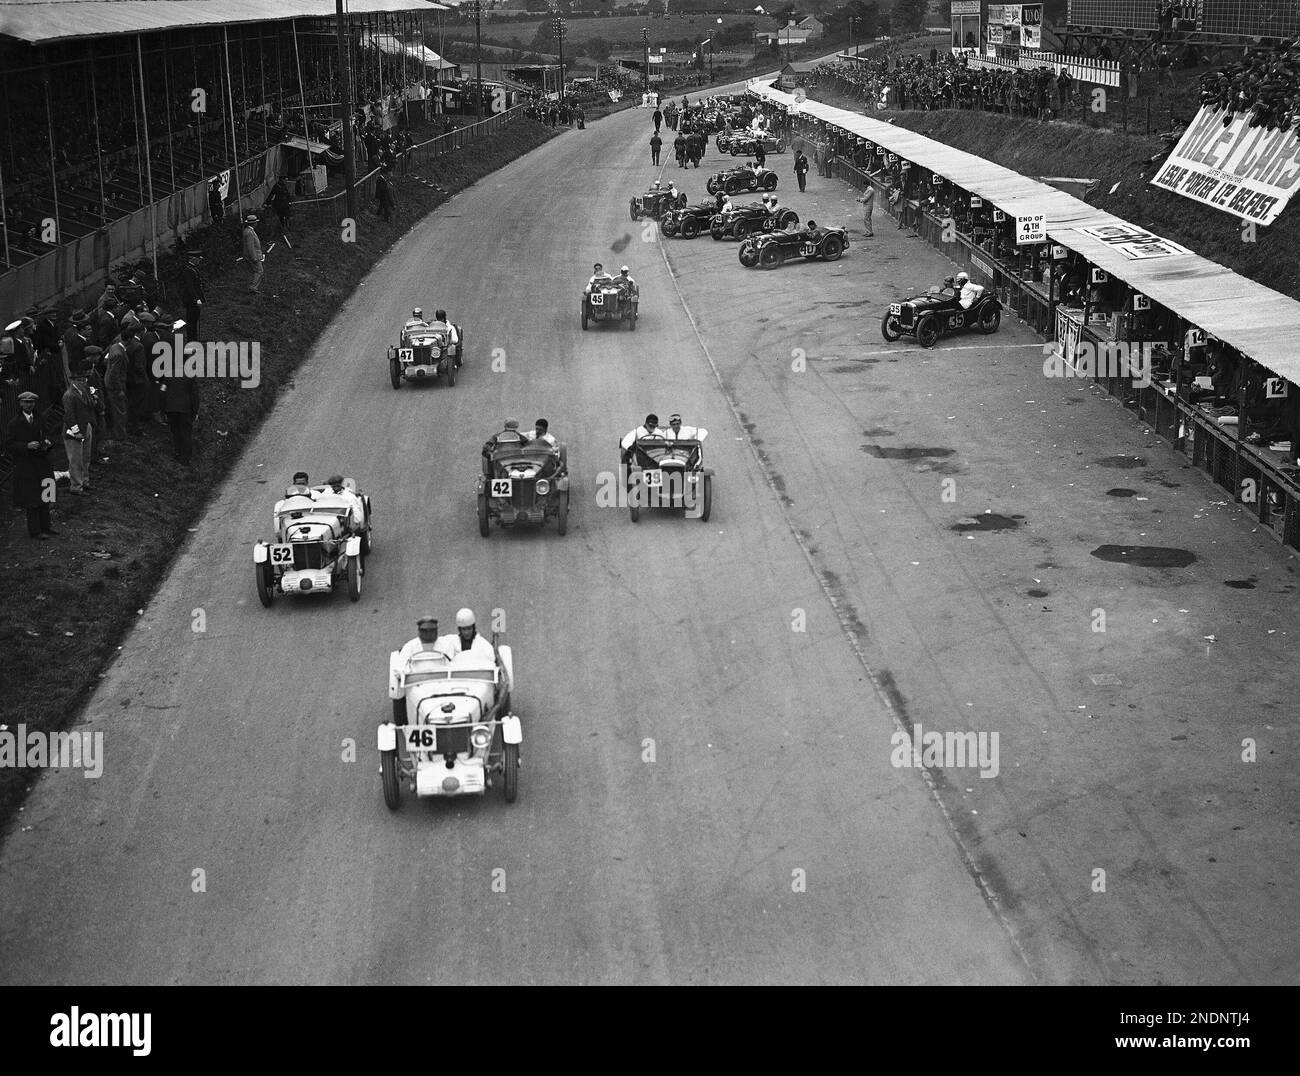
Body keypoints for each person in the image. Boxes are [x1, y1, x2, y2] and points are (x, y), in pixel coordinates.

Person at [6, 390, 57, 538]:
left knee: (46, 494)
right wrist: (26, 446)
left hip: (42, 462)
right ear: (21, 403)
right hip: (26, 465)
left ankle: (46, 527)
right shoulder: (14, 423)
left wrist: (47, 443)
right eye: (26, 402)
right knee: (32, 497)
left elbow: (46, 435)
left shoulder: (40, 419)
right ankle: (35, 531)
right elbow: (9, 444)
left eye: (32, 402)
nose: (29, 405)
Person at [160, 321, 200, 464]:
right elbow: (194, 395)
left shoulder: (169, 373)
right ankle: (186, 458)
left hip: (171, 408)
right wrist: (195, 411)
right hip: (185, 409)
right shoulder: (190, 375)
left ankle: (177, 453)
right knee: (186, 433)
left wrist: (164, 407)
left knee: (175, 432)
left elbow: (162, 390)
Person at [61, 367, 97, 495]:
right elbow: (69, 416)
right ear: (73, 381)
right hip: (74, 431)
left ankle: (85, 482)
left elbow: (90, 406)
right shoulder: (69, 395)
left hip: (86, 426)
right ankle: (76, 486)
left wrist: (94, 399)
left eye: (84, 379)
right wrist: (76, 431)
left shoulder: (84, 392)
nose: (83, 382)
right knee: (75, 460)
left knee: (86, 457)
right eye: (79, 380)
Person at [178, 248, 204, 341]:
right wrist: (196, 299)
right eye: (198, 259)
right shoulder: (188, 270)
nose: (199, 260)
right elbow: (190, 287)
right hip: (191, 300)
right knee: (191, 322)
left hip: (193, 300)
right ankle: (192, 340)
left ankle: (194, 339)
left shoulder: (193, 269)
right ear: (193, 259)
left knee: (194, 320)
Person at [242, 214, 264, 293]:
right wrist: (254, 258)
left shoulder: (248, 231)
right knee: (259, 271)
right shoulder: (249, 233)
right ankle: (253, 288)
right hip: (253, 256)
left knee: (254, 271)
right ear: (254, 223)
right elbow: (250, 247)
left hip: (252, 255)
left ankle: (252, 287)